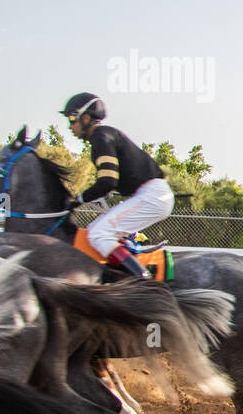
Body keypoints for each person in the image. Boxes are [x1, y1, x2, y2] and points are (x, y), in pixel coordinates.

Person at [61, 93, 173, 279]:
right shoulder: (102, 136)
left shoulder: (100, 137)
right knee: (95, 231)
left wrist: (78, 200)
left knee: (98, 234)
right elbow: (110, 183)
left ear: (86, 118)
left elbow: (108, 182)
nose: (70, 126)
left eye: (72, 119)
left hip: (152, 195)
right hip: (150, 194)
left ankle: (144, 282)